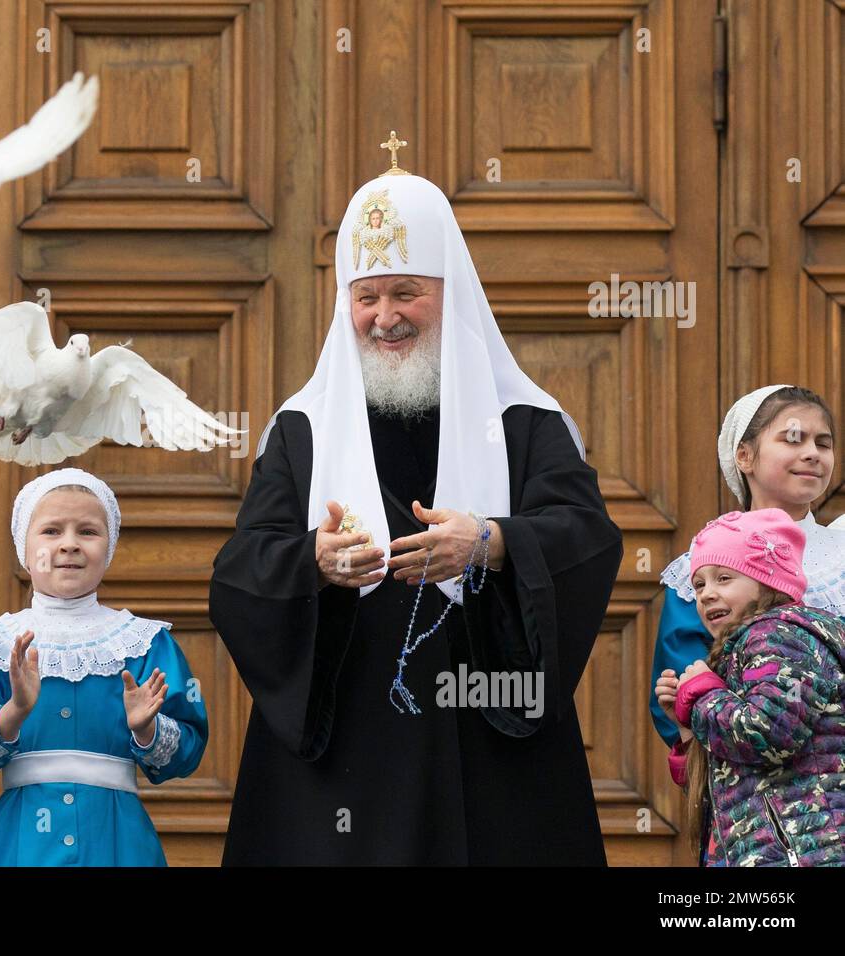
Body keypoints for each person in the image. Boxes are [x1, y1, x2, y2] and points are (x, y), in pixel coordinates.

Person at [209, 152, 622, 865]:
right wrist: (313, 558)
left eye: (407, 293)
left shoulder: (525, 420)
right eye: (367, 297)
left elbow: (587, 538)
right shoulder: (302, 427)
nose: (385, 317)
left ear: (449, 291)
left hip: (483, 722)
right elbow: (240, 569)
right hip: (346, 729)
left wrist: (492, 543)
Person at [0, 468, 207, 865]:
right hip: (23, 840)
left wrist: (148, 729)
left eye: (88, 532)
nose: (69, 545)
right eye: (51, 531)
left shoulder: (145, 642)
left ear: (110, 546)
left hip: (119, 840)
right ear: (23, 548)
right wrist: (13, 712)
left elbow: (188, 751)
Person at [650, 385, 845, 747]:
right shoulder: (702, 567)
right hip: (751, 779)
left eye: (823, 443)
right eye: (792, 439)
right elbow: (683, 685)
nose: (812, 454)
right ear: (744, 456)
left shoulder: (841, 553)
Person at [654, 509, 845, 866]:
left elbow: (770, 730)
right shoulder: (741, 653)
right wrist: (687, 729)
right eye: (699, 585)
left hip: (809, 853)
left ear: (769, 581)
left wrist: (703, 696)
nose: (707, 594)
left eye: (723, 578)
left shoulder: (782, 637)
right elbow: (727, 780)